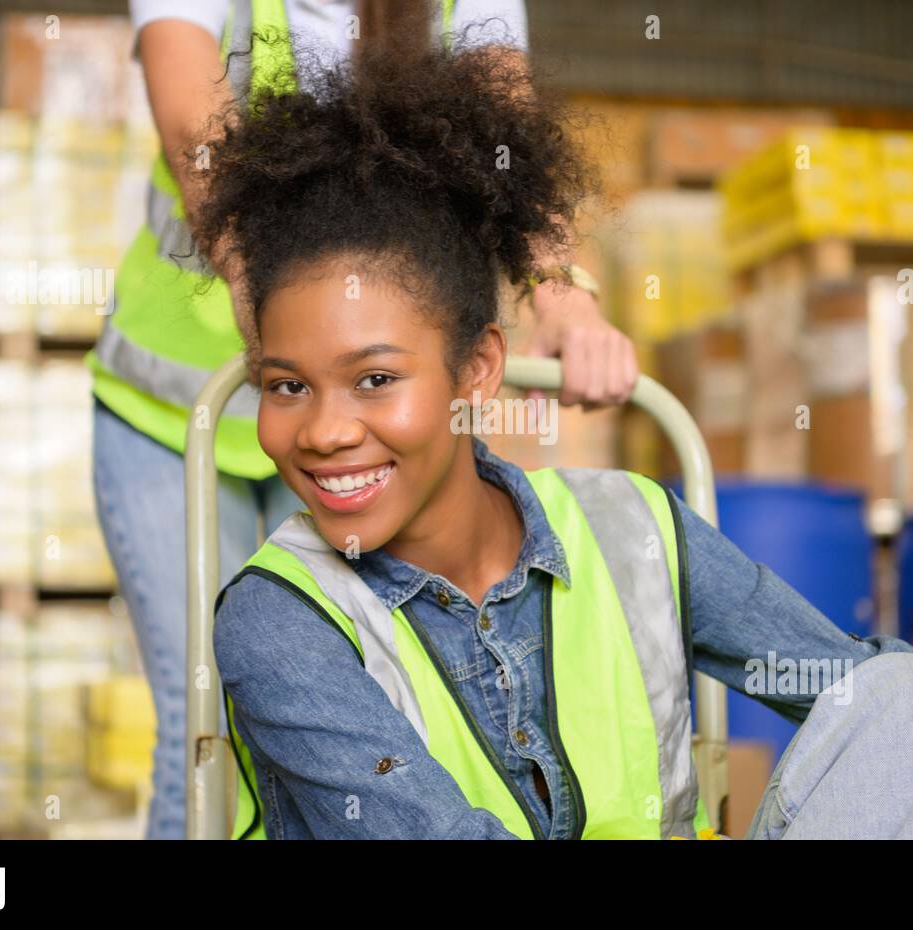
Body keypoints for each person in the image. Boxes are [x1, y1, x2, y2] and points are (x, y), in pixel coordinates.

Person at [199, 29, 913, 839]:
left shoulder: (632, 529)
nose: (322, 432)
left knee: (912, 696)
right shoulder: (279, 619)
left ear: (478, 369)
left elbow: (866, 694)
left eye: (375, 379)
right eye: (285, 386)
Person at [88, 0, 635, 840]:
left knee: (383, 704)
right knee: (203, 716)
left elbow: (506, 142)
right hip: (174, 416)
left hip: (357, 433)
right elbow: (193, 125)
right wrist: (269, 311)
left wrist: (562, 295)